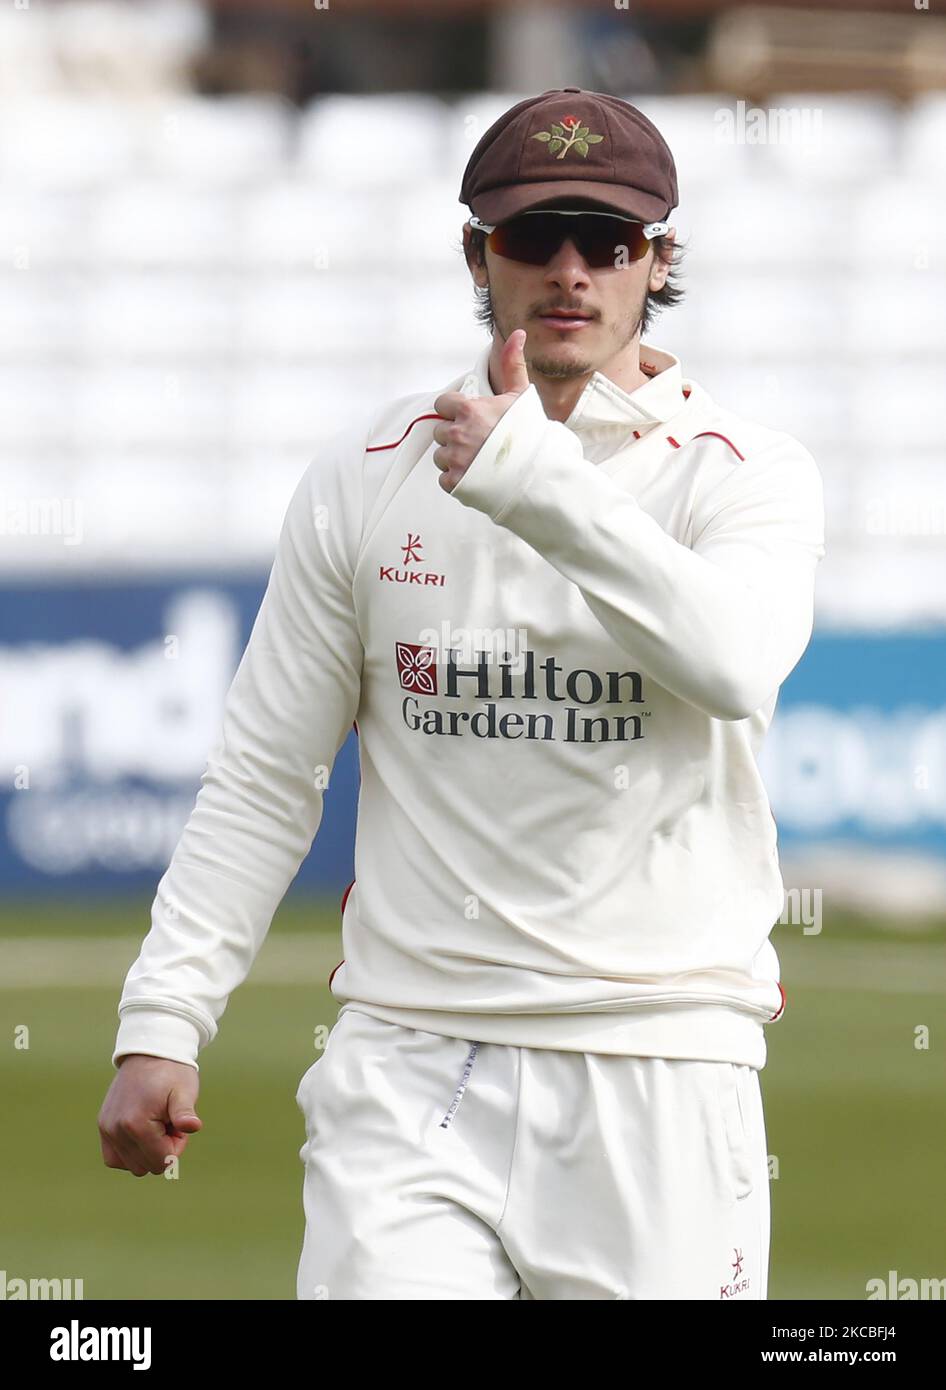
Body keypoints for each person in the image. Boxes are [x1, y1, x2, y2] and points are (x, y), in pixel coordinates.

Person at [98, 87, 825, 1301]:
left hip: (658, 1058)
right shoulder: (366, 474)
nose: (570, 271)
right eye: (534, 236)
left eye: (608, 240)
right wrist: (164, 1017)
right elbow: (269, 775)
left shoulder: (742, 474)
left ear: (658, 259)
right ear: (479, 253)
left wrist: (530, 479)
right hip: (408, 1058)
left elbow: (732, 660)